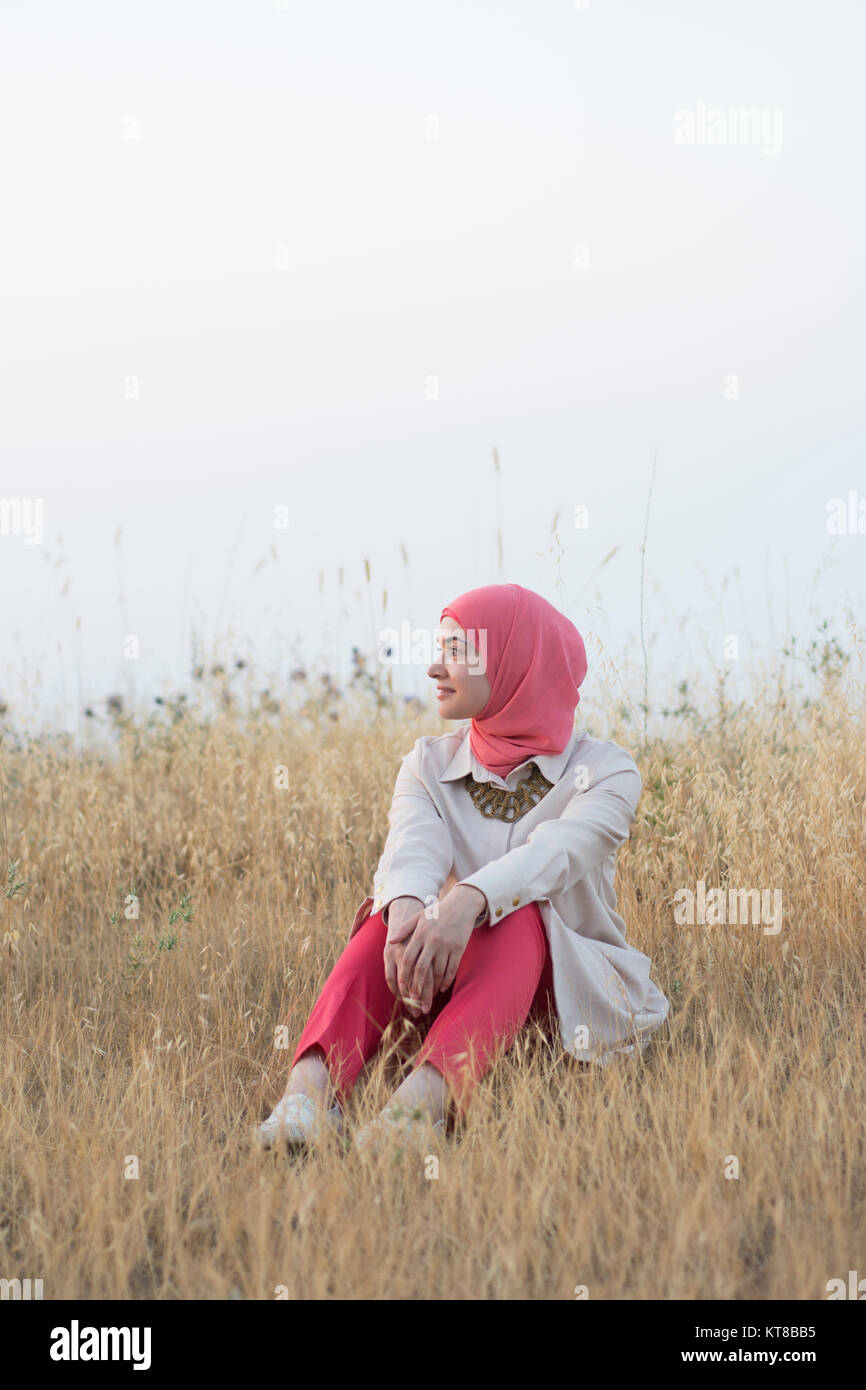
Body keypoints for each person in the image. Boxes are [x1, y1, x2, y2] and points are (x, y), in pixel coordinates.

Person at [256, 582, 669, 1156]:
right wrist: (406, 911)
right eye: (438, 648)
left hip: (564, 1002)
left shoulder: (604, 771)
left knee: (516, 916)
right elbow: (411, 852)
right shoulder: (428, 763)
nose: (434, 667)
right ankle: (306, 1100)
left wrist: (466, 901)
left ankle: (416, 1111)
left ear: (515, 661)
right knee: (387, 919)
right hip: (449, 991)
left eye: (457, 651)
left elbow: (556, 854)